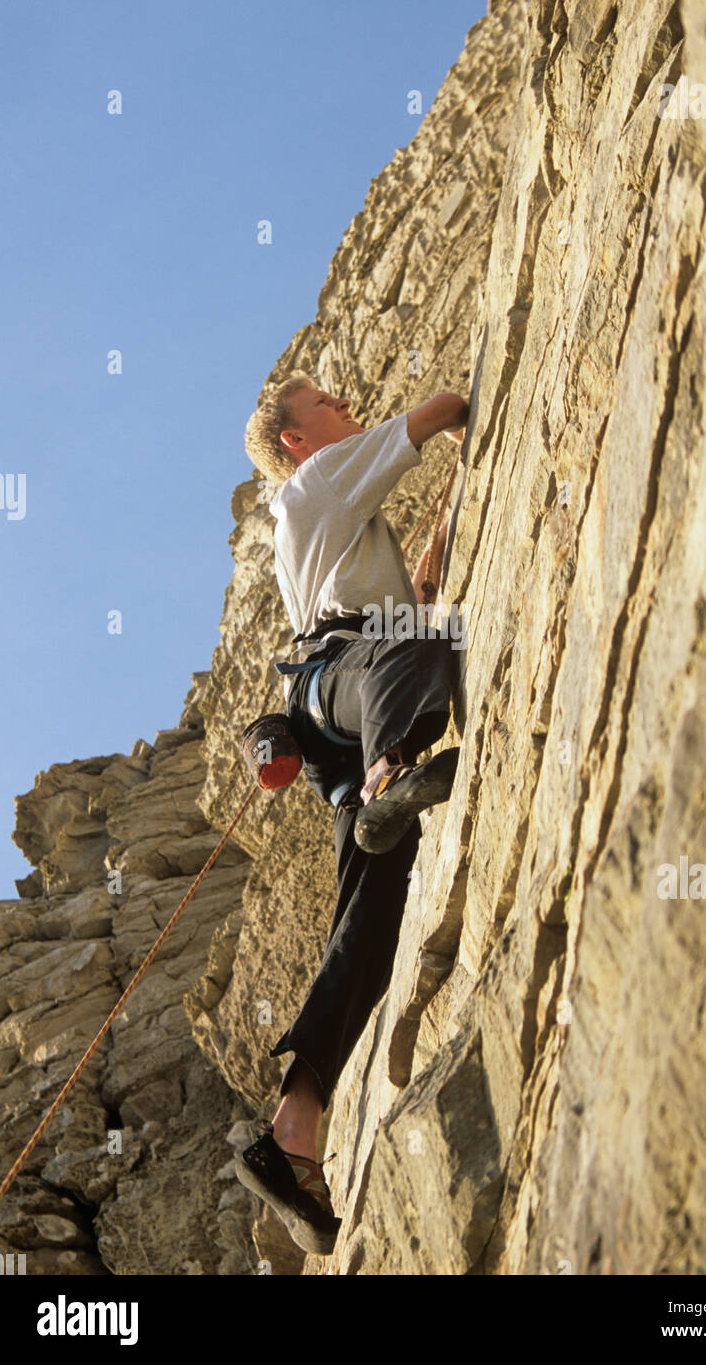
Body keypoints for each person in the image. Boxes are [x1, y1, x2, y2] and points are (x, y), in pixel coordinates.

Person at [235, 373, 467, 1255]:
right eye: (326, 400)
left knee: (367, 922)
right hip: (347, 685)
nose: (345, 397)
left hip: (338, 707)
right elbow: (445, 404)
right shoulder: (316, 480)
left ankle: (292, 1129)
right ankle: (388, 778)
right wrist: (462, 423)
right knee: (423, 640)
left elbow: (409, 589)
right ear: (297, 439)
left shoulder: (326, 517)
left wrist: (448, 519)